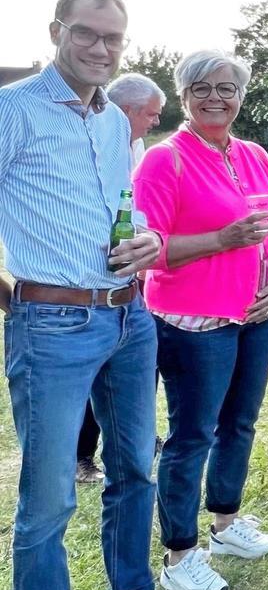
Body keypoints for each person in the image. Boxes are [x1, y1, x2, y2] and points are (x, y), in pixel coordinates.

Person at [0, 0, 207, 590]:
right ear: (58, 31)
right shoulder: (12, 109)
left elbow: (122, 211)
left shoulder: (115, 124)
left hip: (130, 318)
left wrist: (147, 240)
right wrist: (18, 298)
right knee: (50, 496)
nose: (99, 48)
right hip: (51, 326)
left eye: (112, 38)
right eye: (86, 34)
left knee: (134, 472)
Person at [135, 50, 268, 590]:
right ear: (182, 95)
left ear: (240, 97)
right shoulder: (165, 160)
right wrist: (222, 241)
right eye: (202, 88)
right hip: (195, 321)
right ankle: (180, 553)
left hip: (258, 313)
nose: (215, 98)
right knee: (192, 435)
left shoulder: (253, 154)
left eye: (226, 89)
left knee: (241, 424)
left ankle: (226, 525)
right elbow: (148, 251)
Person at [75, 71, 168, 485]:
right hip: (83, 290)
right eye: (151, 114)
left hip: (131, 283)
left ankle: (141, 437)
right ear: (127, 109)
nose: (154, 122)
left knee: (138, 367)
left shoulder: (135, 146)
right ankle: (81, 457)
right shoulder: (86, 142)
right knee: (93, 375)